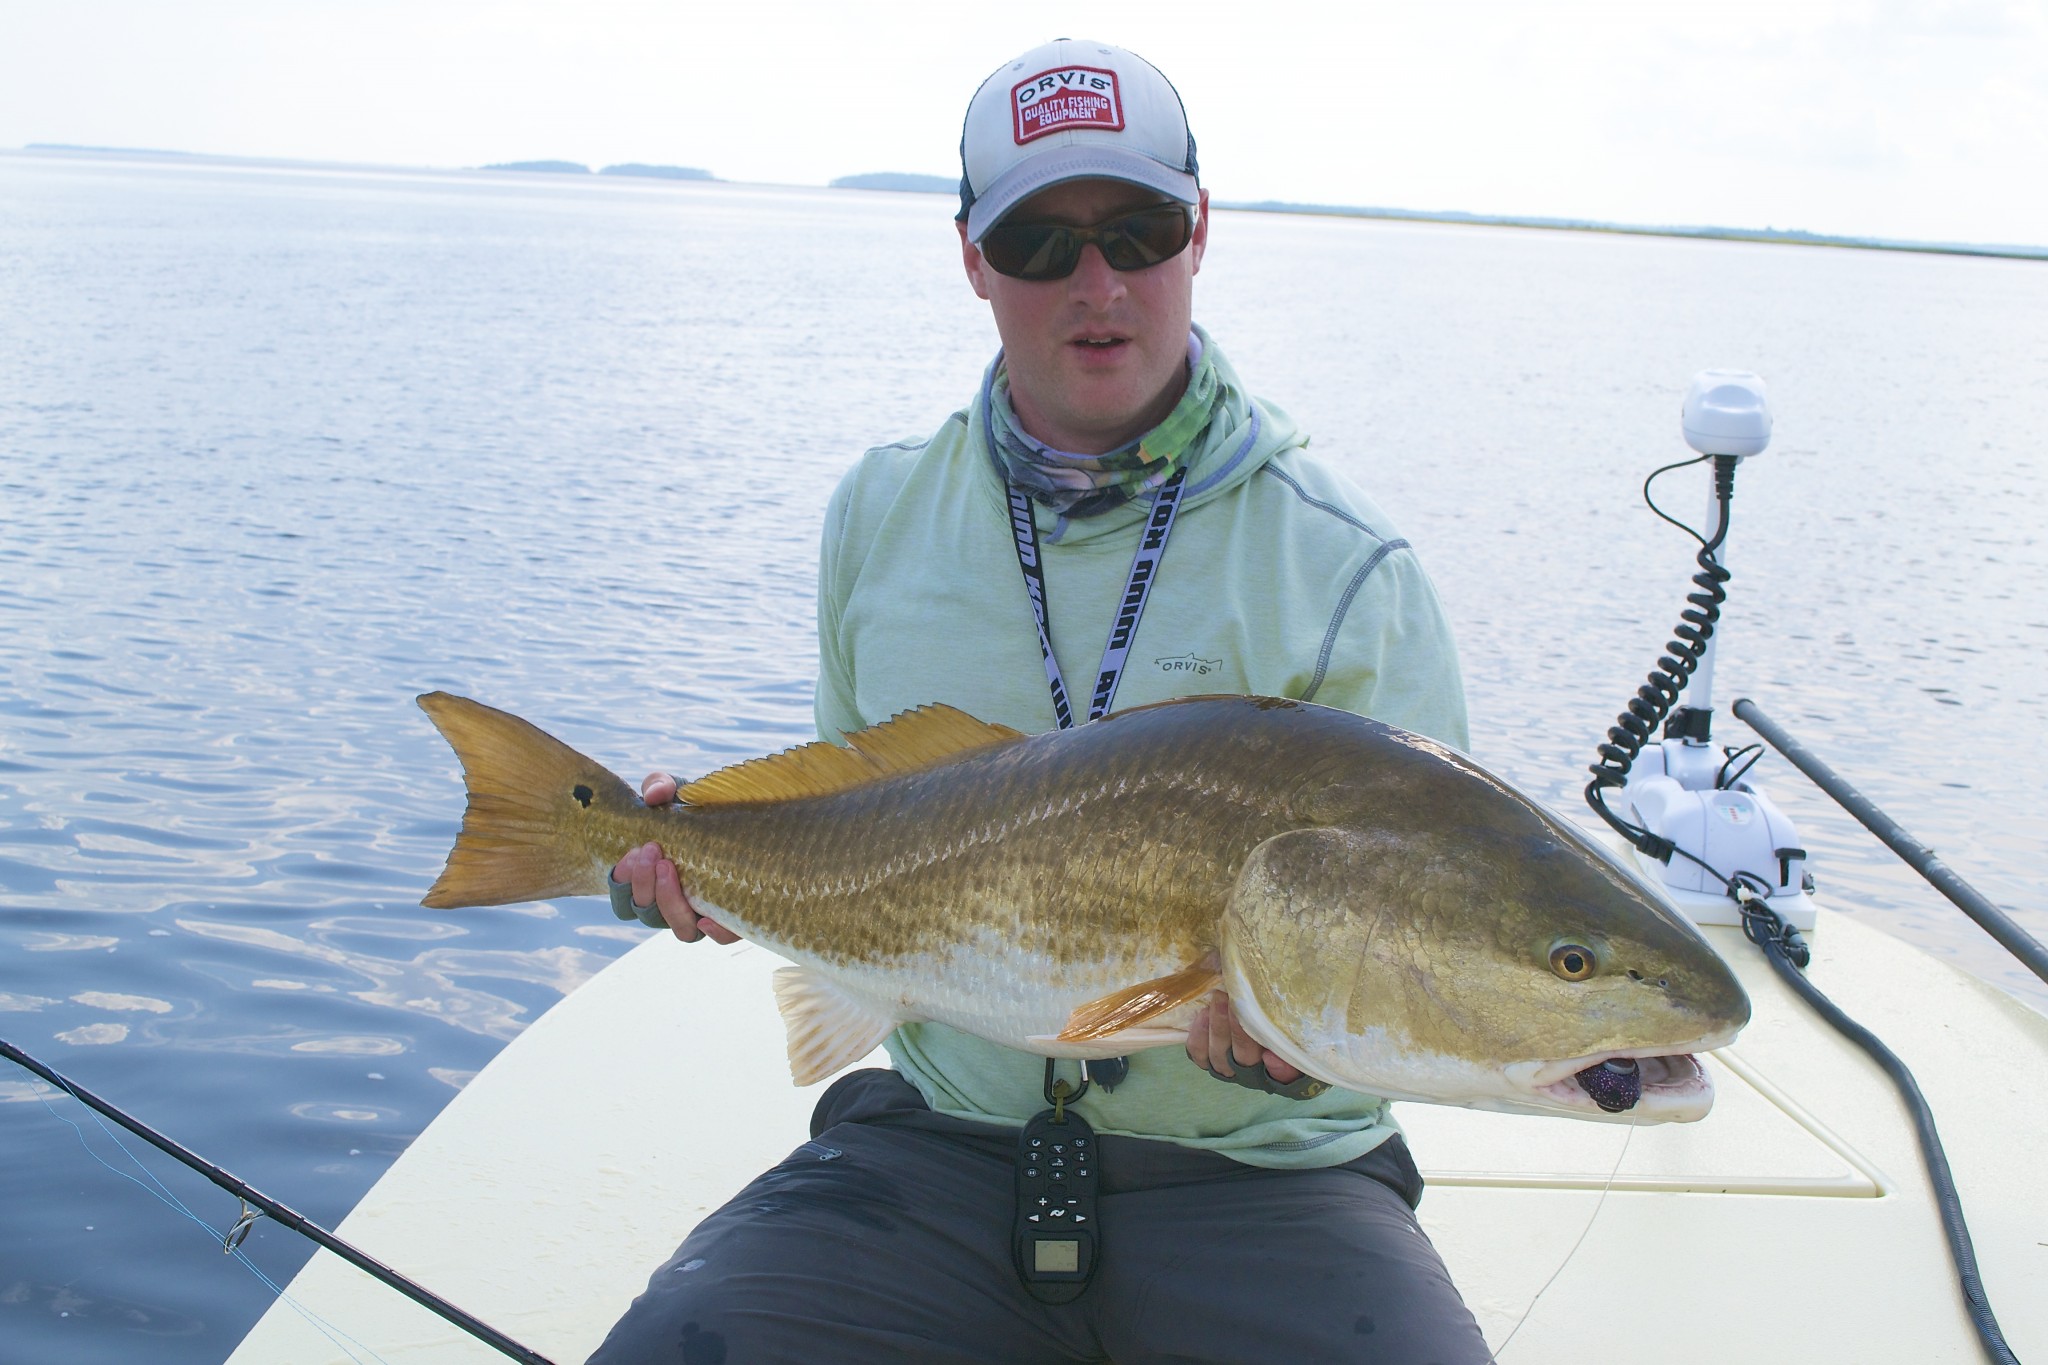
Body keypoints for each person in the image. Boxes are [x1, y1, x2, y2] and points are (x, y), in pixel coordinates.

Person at [591, 38, 1491, 1365]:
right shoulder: (882, 510)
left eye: (1138, 230)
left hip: (1267, 1179)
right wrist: (703, 860)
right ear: (971, 259)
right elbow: (848, 810)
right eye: (1039, 243)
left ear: (1200, 235)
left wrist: (1306, 1048)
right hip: (938, 1143)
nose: (1100, 284)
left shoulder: (1348, 568)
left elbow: (1425, 932)